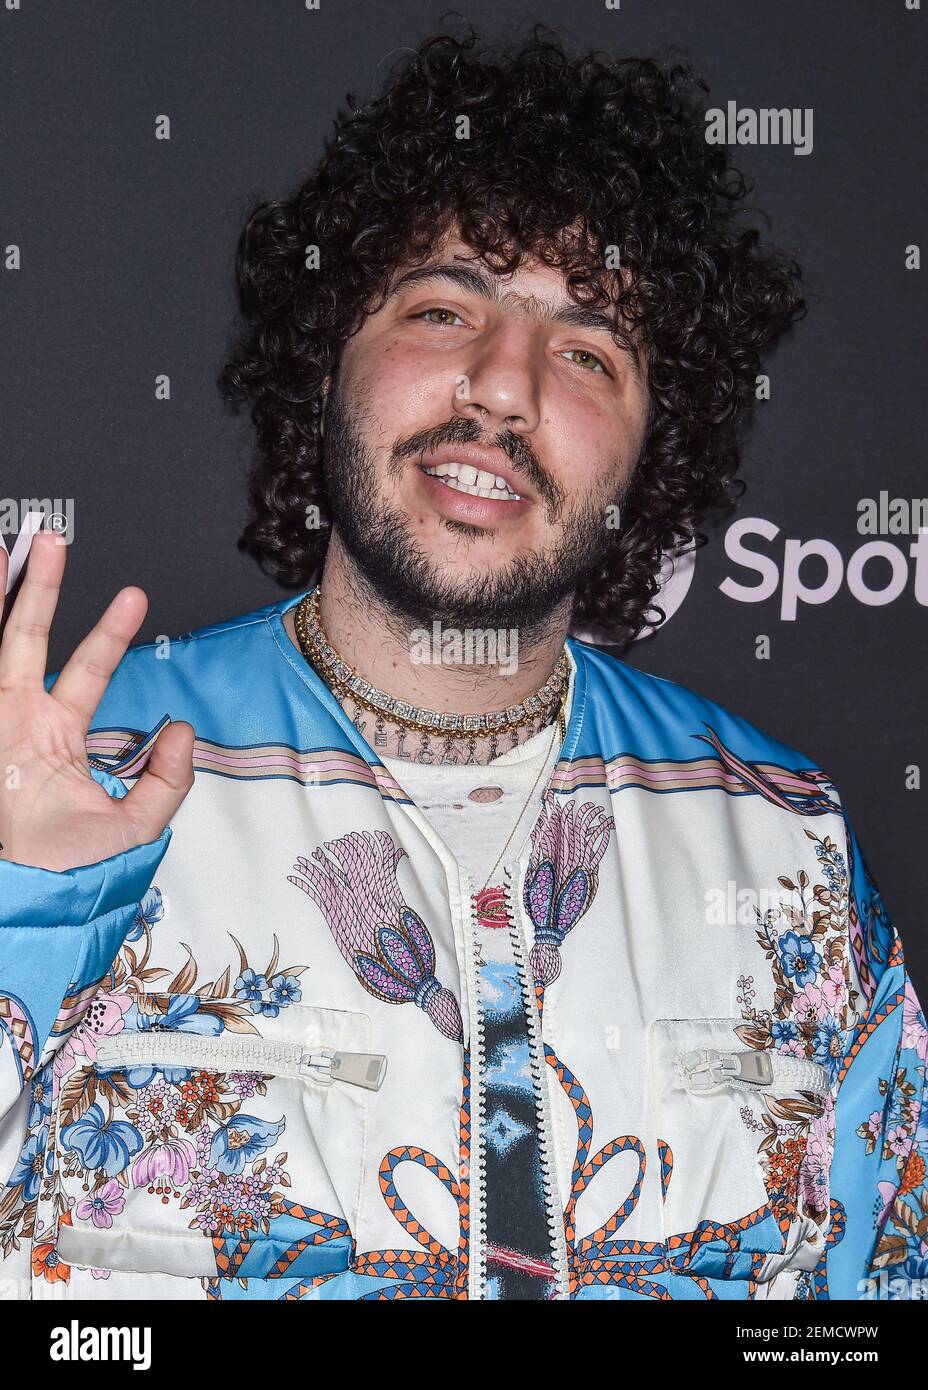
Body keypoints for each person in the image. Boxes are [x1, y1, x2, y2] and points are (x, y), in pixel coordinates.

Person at [0, 28, 924, 1303]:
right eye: (444, 308)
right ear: (329, 359)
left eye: (589, 351)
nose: (501, 383)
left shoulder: (785, 837)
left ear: (654, 450)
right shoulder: (65, 783)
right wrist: (23, 925)